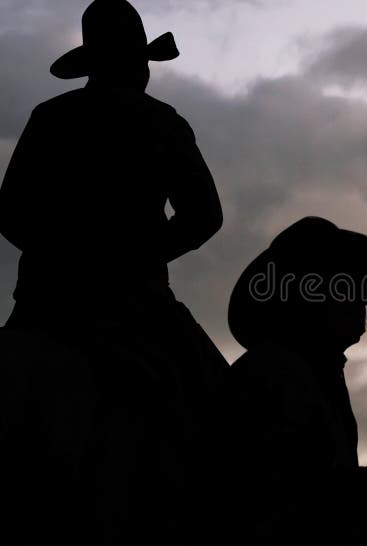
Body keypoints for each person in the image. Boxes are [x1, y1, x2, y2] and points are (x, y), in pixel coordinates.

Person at [0, 0, 226, 540]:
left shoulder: (48, 117)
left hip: (44, 303)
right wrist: (138, 256)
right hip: (135, 303)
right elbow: (205, 217)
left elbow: (8, 210)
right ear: (138, 64)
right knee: (226, 417)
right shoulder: (161, 121)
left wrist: (59, 253)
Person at [222, 216, 367, 542]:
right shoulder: (275, 376)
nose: (360, 303)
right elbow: (301, 502)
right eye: (343, 288)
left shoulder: (313, 373)